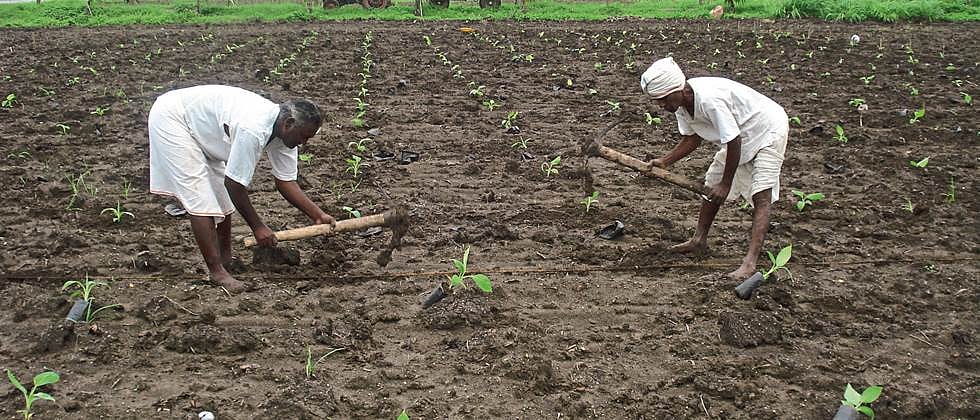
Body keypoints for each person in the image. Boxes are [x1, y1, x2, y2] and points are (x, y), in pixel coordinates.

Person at [148, 85, 336, 293]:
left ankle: (226, 260)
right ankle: (217, 272)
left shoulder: (287, 133)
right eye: (304, 136)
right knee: (200, 197)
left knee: (221, 197)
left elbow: (286, 182)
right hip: (173, 119)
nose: (303, 143)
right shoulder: (253, 128)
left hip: (202, 127)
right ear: (288, 124)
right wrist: (258, 227)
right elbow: (234, 184)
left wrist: (317, 215)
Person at [640, 57, 788, 281]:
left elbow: (734, 140)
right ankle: (698, 240)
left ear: (677, 90)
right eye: (657, 101)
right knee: (711, 184)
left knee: (761, 194)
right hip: (741, 134)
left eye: (663, 99)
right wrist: (665, 161)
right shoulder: (681, 105)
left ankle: (750, 263)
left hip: (768, 129)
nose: (660, 105)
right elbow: (692, 139)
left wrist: (726, 184)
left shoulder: (709, 100)